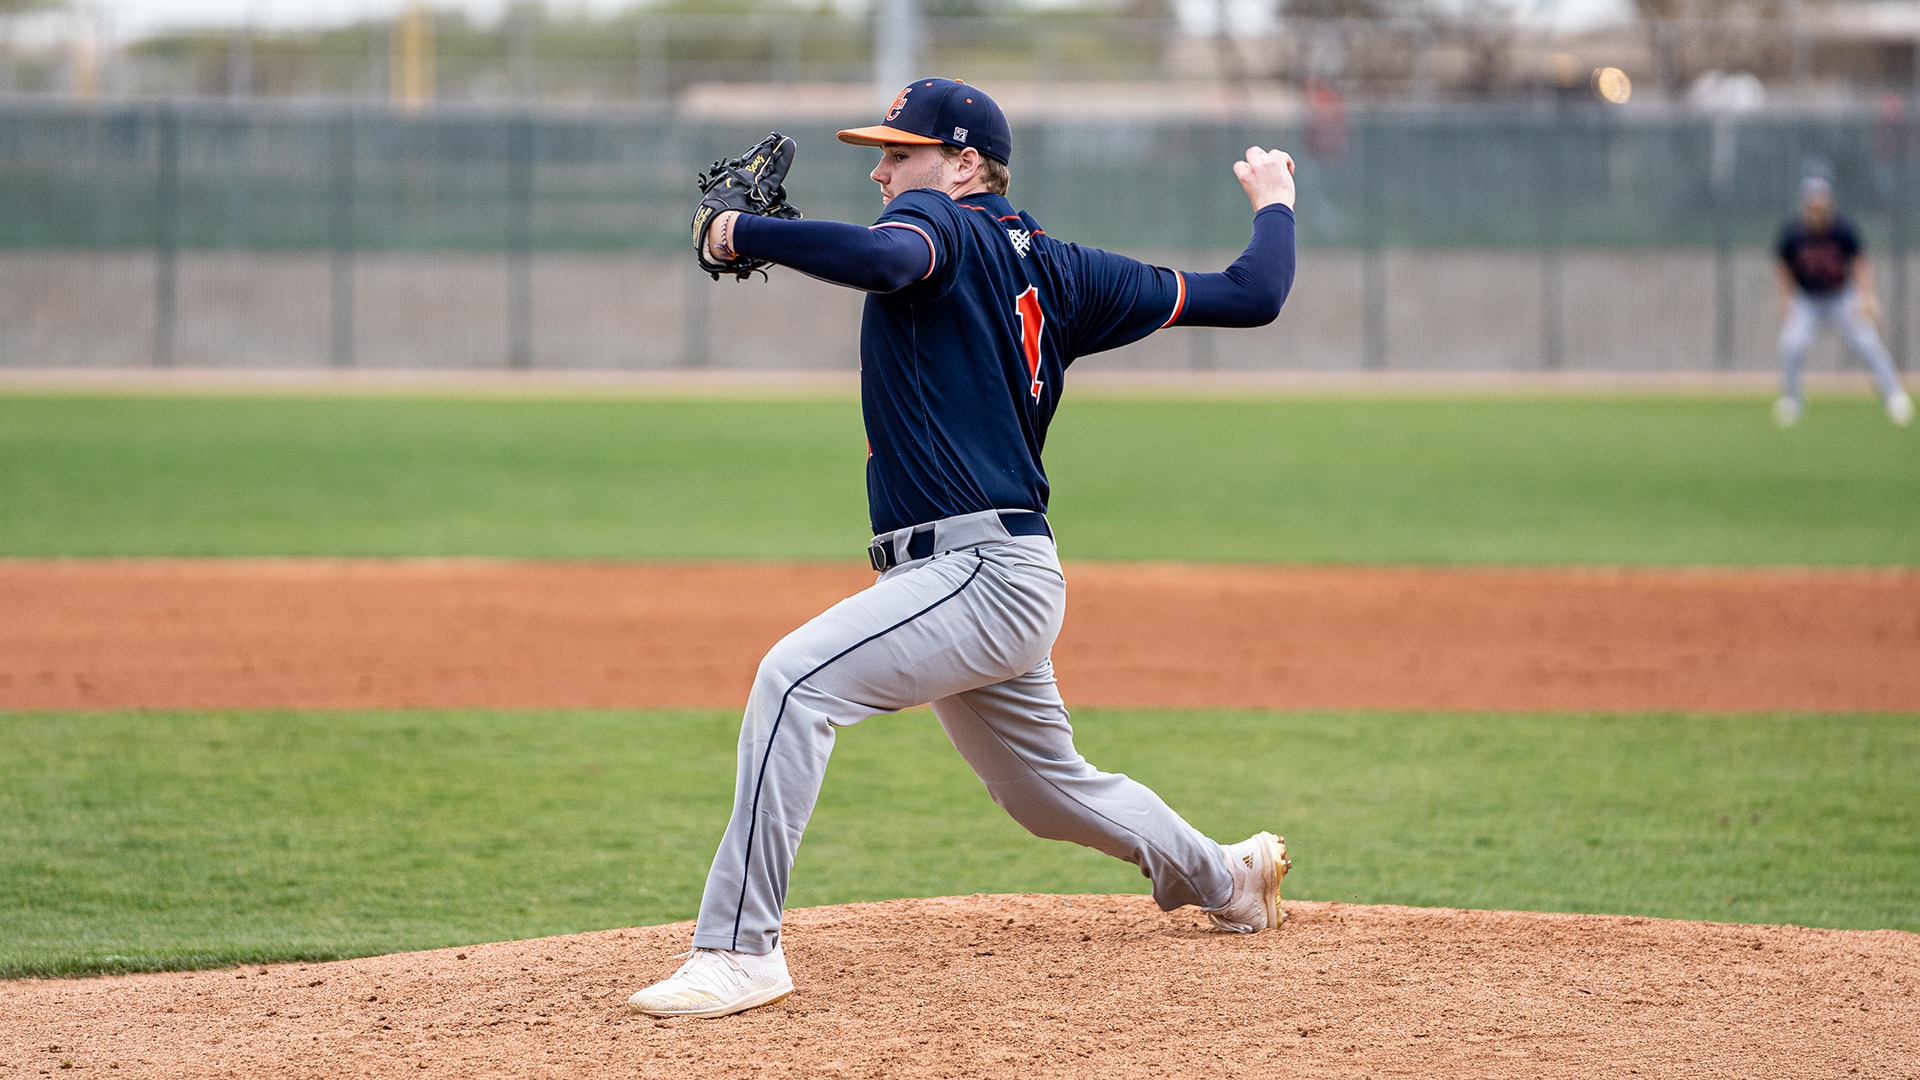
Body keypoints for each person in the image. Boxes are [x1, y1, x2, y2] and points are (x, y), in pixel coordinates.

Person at [628, 78, 1299, 1020]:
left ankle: (740, 951)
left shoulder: (943, 231)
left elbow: (890, 260)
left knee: (793, 682)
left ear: (965, 162)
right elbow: (1255, 292)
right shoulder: (1062, 267)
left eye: (900, 154)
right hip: (1002, 573)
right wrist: (1275, 207)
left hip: (976, 572)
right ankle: (1226, 878)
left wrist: (739, 233)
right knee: (1042, 789)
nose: (881, 171)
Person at [1772, 176, 1912, 427]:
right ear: (1805, 205)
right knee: (1792, 344)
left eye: (1821, 204)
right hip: (1808, 299)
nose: (1817, 210)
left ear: (1829, 203)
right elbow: (1784, 267)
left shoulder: (1842, 229)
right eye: (1812, 205)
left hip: (1840, 296)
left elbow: (1860, 262)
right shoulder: (1793, 232)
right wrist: (1785, 301)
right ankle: (1792, 399)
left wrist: (1866, 295)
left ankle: (1893, 394)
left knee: (1867, 342)